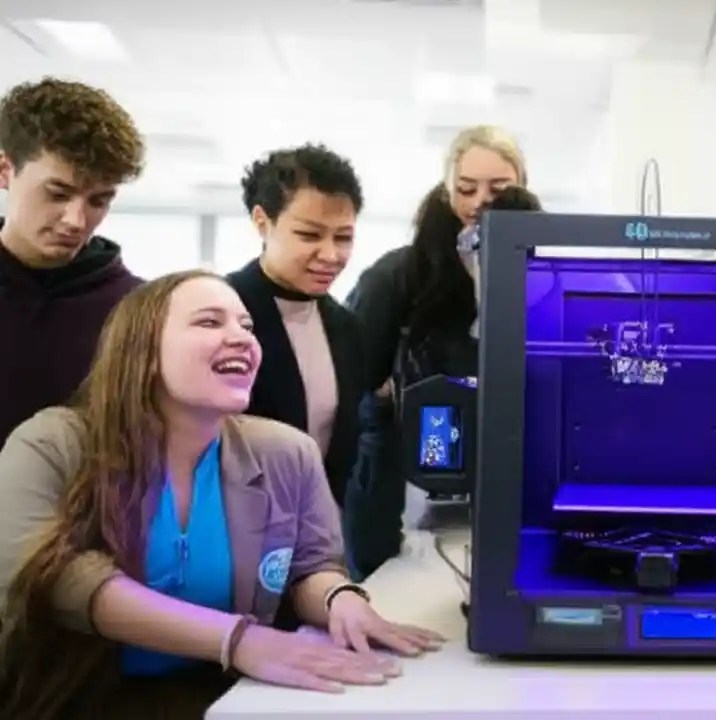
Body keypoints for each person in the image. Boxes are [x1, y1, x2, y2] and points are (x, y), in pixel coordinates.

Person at [0, 270, 443, 720]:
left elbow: (311, 567)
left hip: (223, 699)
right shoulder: (50, 444)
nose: (242, 339)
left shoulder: (288, 453)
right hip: (75, 702)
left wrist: (340, 600)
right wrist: (238, 640)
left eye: (247, 327)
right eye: (210, 323)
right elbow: (57, 579)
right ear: (144, 351)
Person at [342, 125, 538, 579]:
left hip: (508, 463)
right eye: (465, 189)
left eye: (498, 188)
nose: (479, 202)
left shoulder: (541, 273)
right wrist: (389, 394)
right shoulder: (399, 274)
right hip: (407, 467)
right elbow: (352, 374)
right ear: (447, 189)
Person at [0, 77, 145, 446]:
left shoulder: (138, 310)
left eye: (98, 201)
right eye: (58, 193)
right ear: (5, 171)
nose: (76, 221)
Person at [225, 144, 366, 506]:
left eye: (343, 237)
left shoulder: (345, 327)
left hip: (315, 529)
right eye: (309, 235)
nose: (331, 255)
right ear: (262, 222)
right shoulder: (221, 311)